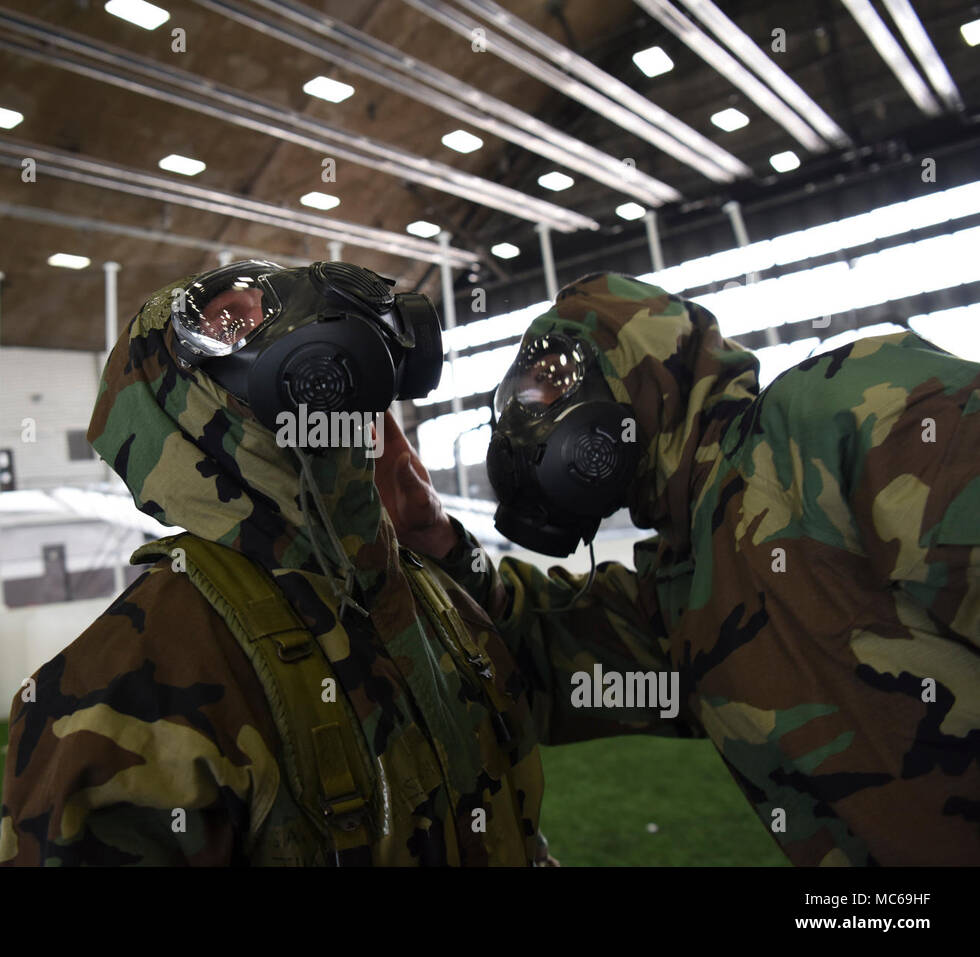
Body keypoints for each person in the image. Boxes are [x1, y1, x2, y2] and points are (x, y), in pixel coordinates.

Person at [0, 259, 692, 867]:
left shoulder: (430, 596)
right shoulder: (117, 689)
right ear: (181, 407)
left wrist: (433, 536)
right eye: (235, 316)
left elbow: (638, 658)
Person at [379, 271, 980, 866]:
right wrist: (440, 542)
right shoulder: (683, 585)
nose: (528, 418)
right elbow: (532, 659)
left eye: (552, 384)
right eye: (525, 396)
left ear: (642, 372)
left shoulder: (841, 409)